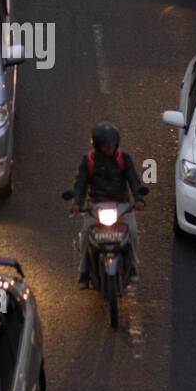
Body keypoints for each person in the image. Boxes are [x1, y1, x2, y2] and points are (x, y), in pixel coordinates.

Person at [71, 122, 145, 287]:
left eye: (112, 145)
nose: (110, 149)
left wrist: (138, 199)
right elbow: (80, 183)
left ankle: (133, 267)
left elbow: (134, 179)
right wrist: (77, 202)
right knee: (85, 235)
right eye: (106, 146)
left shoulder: (124, 159)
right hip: (96, 206)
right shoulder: (88, 160)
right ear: (98, 146)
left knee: (132, 231)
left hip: (122, 206)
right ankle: (83, 272)